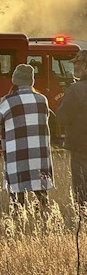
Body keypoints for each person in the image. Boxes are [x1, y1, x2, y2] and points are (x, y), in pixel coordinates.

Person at [0, 63, 55, 210]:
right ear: (31, 81)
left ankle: (20, 220)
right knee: (41, 193)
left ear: (15, 80)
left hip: (17, 154)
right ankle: (45, 218)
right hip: (40, 154)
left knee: (17, 194)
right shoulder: (42, 100)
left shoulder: (8, 101)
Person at [58, 49, 87, 209]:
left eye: (78, 63)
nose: (74, 66)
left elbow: (62, 117)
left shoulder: (75, 90)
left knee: (82, 189)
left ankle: (83, 220)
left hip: (81, 148)